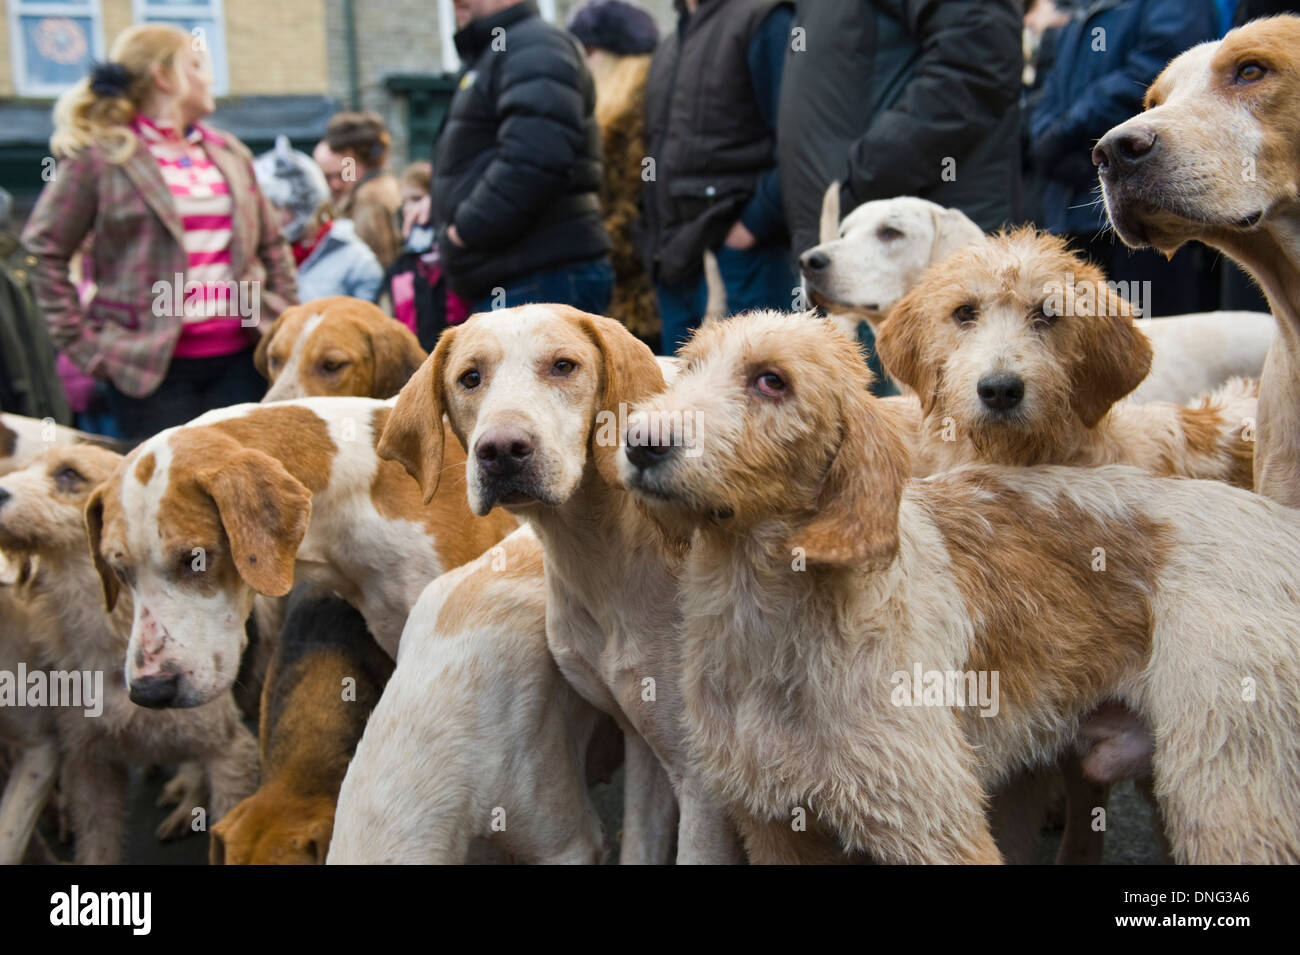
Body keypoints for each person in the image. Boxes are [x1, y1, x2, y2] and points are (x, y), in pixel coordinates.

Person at [22, 24, 297, 443]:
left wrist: (285, 317)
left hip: (245, 359)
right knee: (171, 501)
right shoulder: (100, 158)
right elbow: (43, 252)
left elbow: (272, 244)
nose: (209, 78)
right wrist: (86, 350)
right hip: (147, 373)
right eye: (197, 65)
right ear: (163, 77)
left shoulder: (230, 152)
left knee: (249, 484)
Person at [1029, 0, 1219, 316]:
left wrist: (1063, 131)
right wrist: (1047, 136)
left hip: (1146, 212)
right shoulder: (1078, 10)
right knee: (1084, 344)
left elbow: (1159, 69)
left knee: (1150, 333)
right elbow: (1050, 90)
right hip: (1072, 212)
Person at [433, 0, 613, 315]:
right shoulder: (503, 50)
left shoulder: (534, 47)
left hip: (539, 278)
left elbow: (536, 158)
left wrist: (462, 231)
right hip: (521, 277)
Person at [641, 0, 797, 355]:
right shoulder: (671, 41)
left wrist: (754, 226)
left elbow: (798, 138)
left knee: (753, 400)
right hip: (675, 265)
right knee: (682, 403)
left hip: (745, 259)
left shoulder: (764, 19)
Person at [567, 0, 661, 350]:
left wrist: (596, 246)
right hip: (625, 279)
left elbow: (631, 201)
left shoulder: (632, 112)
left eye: (588, 52)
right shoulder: (615, 108)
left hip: (635, 286)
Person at [254, 135, 383, 302]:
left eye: (276, 206)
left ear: (301, 203)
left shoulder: (356, 261)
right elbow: (248, 320)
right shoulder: (257, 257)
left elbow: (367, 323)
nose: (268, 216)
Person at [314, 111, 403, 270]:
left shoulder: (370, 199)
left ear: (351, 156)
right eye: (326, 177)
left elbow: (375, 267)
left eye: (340, 175)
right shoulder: (383, 187)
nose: (334, 185)